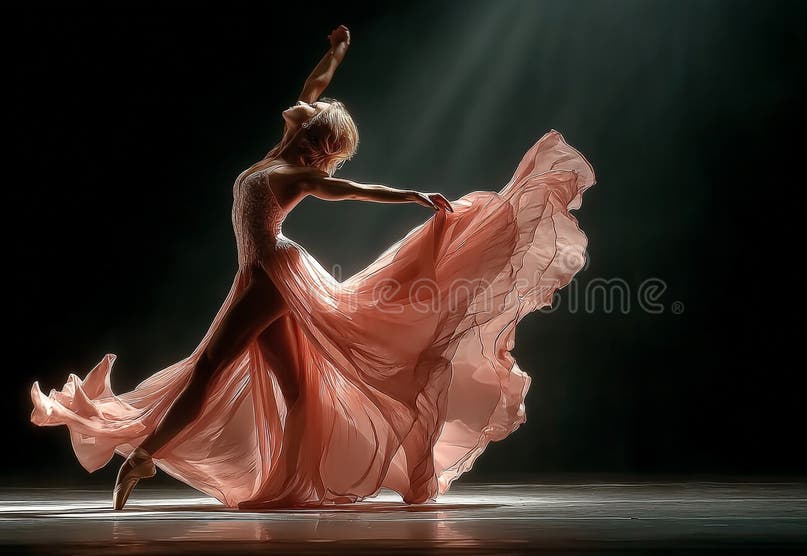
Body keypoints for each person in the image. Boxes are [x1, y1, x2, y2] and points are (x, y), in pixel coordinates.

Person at [30, 25, 596, 510]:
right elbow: (312, 90)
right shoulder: (284, 150)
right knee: (295, 388)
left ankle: (146, 458)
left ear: (319, 149)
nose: (312, 146)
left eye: (319, 144)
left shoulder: (300, 174)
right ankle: (299, 482)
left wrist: (410, 196)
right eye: (314, 137)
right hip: (259, 274)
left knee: (208, 369)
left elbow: (353, 190)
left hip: (274, 275)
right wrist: (337, 52)